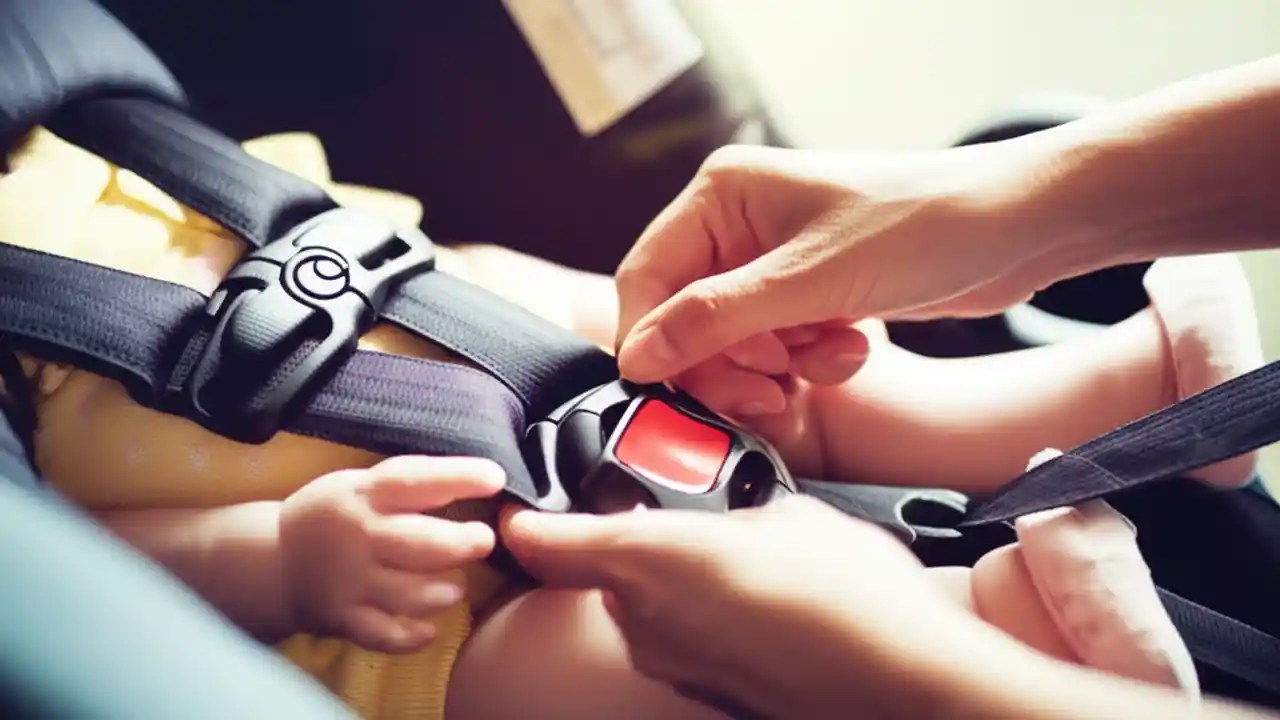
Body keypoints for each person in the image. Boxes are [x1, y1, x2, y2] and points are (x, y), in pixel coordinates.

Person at [2, 87, 1261, 719]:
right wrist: (281, 559)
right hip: (412, 617)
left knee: (730, 370)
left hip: (468, 339)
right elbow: (53, 569)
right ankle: (995, 627)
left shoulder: (57, 129)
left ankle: (1113, 397)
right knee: (579, 669)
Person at [497, 55, 1280, 718]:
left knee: (799, 393)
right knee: (566, 651)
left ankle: (1130, 389)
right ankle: (996, 627)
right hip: (453, 609)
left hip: (542, 369)